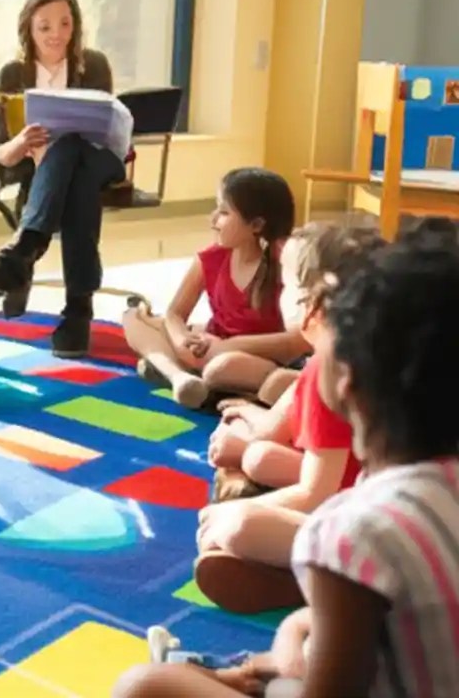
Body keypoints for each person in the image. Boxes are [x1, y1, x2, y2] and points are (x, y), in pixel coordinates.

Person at [114, 236, 459, 698]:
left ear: (347, 384)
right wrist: (293, 639)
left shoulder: (350, 531)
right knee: (287, 654)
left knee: (145, 685)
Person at [194, 224, 385, 615]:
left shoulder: (330, 367)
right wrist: (248, 417)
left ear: (311, 301)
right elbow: (274, 428)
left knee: (237, 526)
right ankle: (290, 577)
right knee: (255, 461)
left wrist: (230, 514)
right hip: (395, 518)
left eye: (285, 286)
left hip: (377, 536)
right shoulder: (355, 355)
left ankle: (313, 583)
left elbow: (318, 495)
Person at [0, 0, 127, 357]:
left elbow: (106, 128)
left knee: (72, 146)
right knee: (75, 184)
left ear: (76, 26)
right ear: (29, 29)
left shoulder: (94, 63)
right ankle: (78, 311)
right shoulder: (11, 75)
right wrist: (22, 143)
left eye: (65, 24)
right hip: (43, 172)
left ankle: (22, 250)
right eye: (45, 25)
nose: (56, 34)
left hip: (99, 157)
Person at [124, 168, 306, 408]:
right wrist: (182, 340)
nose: (213, 220)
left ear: (257, 224)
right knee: (135, 318)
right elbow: (175, 313)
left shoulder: (288, 261)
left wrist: (228, 346)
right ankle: (181, 378)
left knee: (222, 367)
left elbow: (300, 340)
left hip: (257, 359)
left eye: (223, 212)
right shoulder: (210, 258)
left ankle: (200, 378)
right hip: (211, 347)